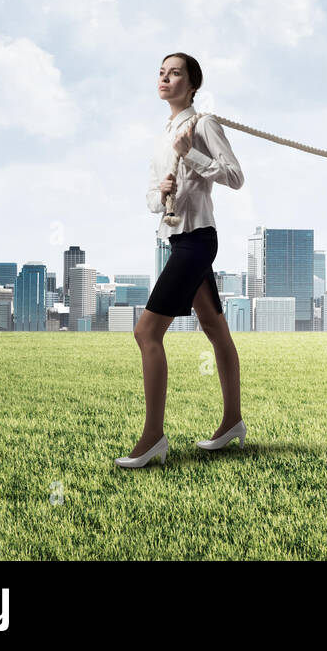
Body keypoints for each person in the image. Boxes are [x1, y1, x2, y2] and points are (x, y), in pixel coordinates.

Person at [115, 52, 247, 468]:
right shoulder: (163, 135)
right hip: (178, 240)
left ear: (192, 85)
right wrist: (163, 191)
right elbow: (151, 198)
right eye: (161, 72)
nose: (165, 78)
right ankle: (232, 421)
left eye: (175, 74)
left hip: (198, 241)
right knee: (215, 328)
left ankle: (153, 437)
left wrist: (191, 155)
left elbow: (235, 177)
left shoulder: (203, 124)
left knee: (146, 333)